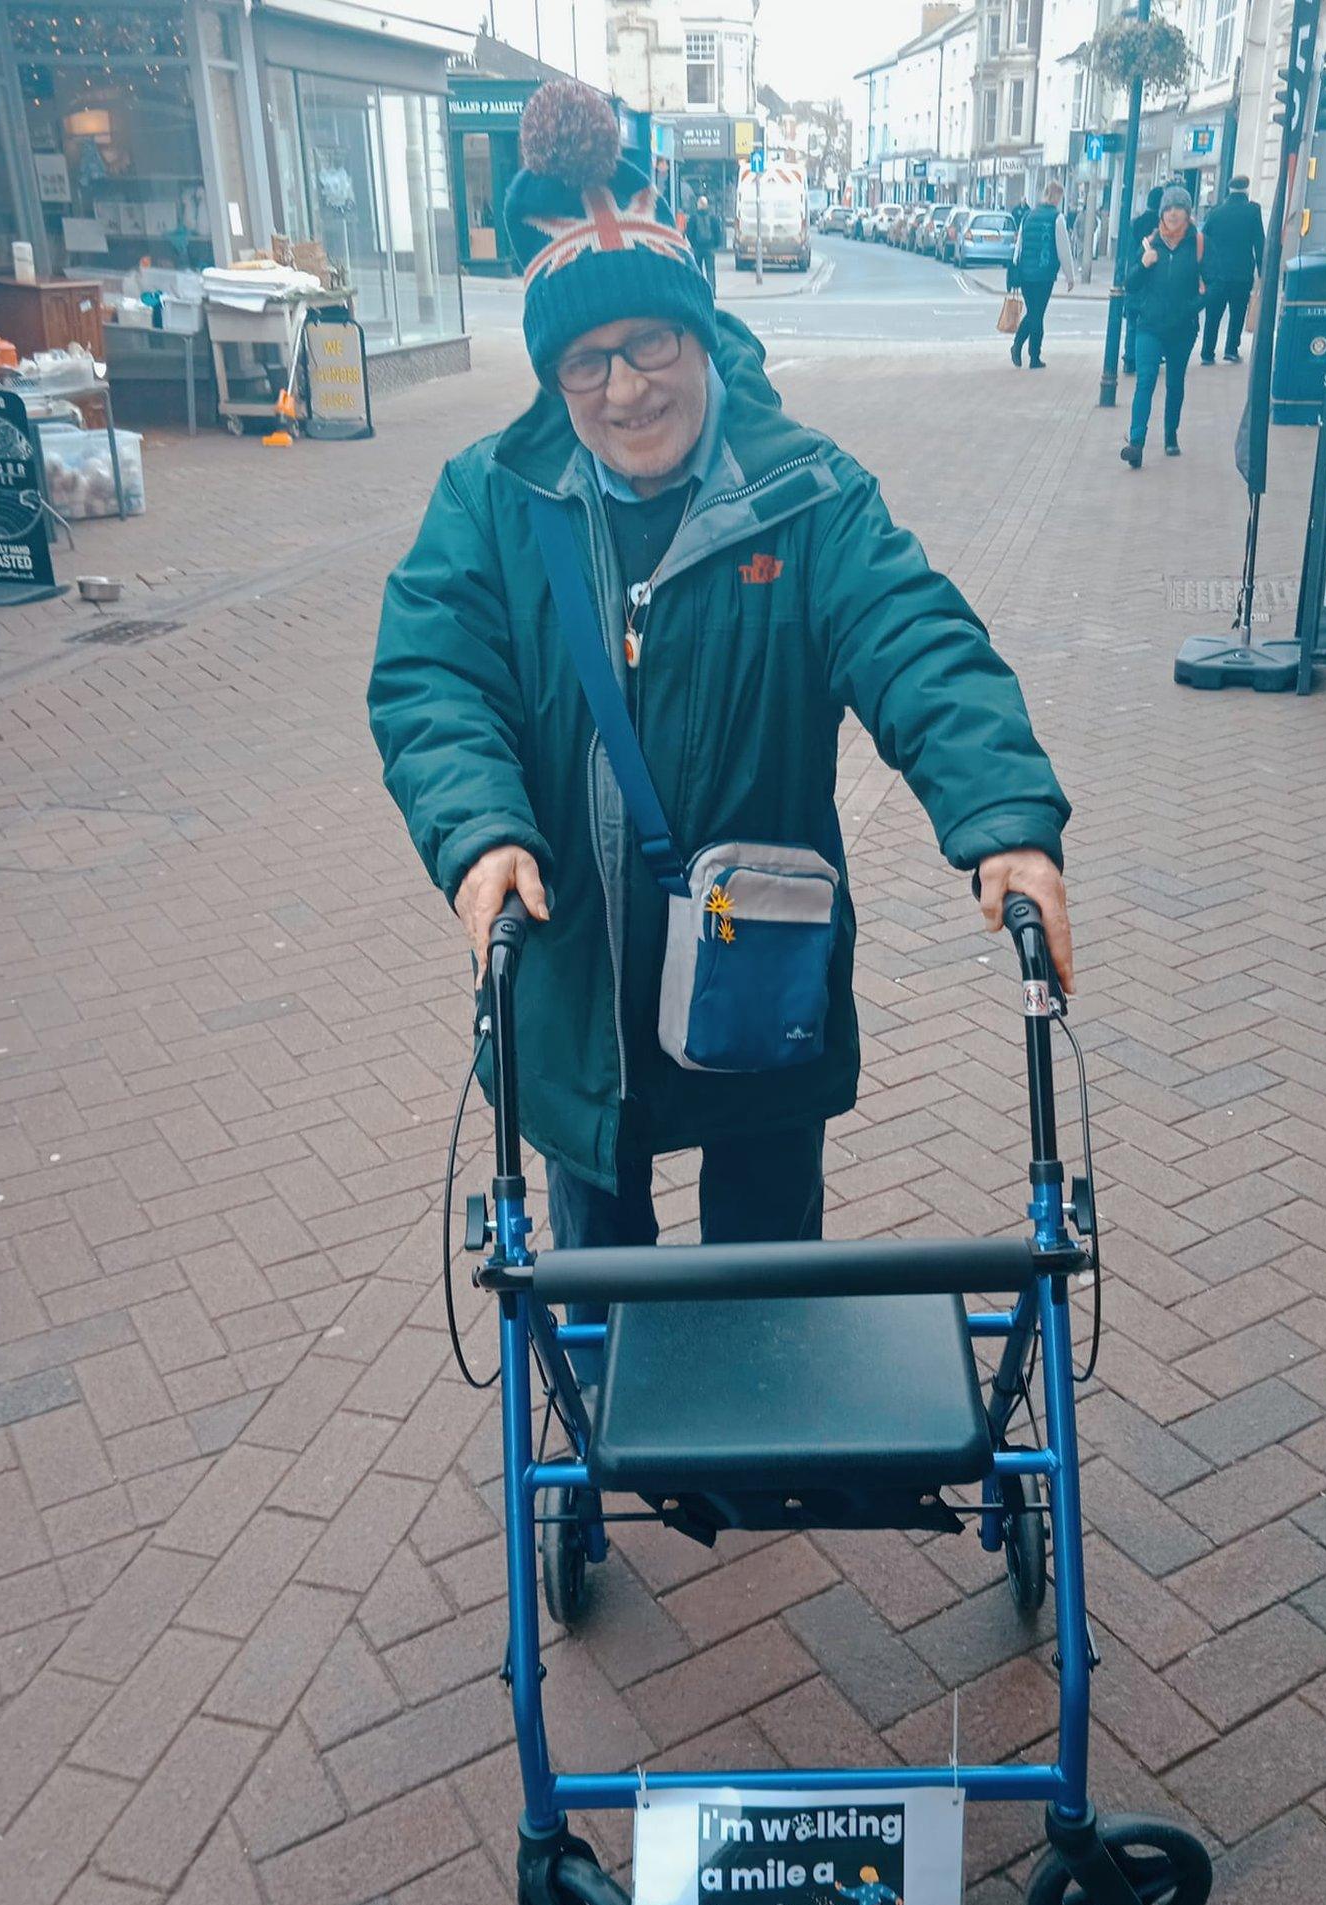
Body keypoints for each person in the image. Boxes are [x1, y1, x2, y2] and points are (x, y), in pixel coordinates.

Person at [369, 81, 1072, 1293]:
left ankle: (759, 1459)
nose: (628, 388)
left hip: (761, 951)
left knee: (764, 1258)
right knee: (597, 1264)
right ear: (553, 375)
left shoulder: (807, 493)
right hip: (578, 954)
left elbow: (914, 636)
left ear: (699, 337)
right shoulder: (491, 498)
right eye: (588, 362)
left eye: (651, 344)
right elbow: (433, 672)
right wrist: (478, 831)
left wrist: (1002, 819)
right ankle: (620, 1445)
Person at [1120, 188, 1203, 469]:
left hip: (1182, 328)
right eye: (1168, 208)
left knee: (1175, 382)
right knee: (1145, 380)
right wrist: (1143, 265)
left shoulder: (1199, 244)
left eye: (1179, 208)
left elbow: (1215, 284)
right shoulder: (1149, 243)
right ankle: (1136, 442)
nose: (1173, 213)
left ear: (1188, 213)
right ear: (1162, 214)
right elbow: (1129, 283)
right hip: (1150, 325)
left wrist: (1193, 307)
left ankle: (1170, 434)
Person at [1199, 173, 1265, 365]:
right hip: (1242, 273)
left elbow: (1204, 239)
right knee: (1237, 314)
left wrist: (1205, 269)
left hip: (1218, 274)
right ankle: (1231, 350)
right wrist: (1262, 272)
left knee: (1213, 315)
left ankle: (1207, 353)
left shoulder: (1216, 212)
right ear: (1246, 189)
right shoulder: (1253, 211)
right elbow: (1259, 242)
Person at [1010, 179, 1076, 370]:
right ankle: (1030, 355)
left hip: (1025, 274)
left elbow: (1019, 245)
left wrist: (1016, 268)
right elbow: (1064, 249)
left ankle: (1022, 349)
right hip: (1044, 274)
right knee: (1037, 315)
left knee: (1034, 313)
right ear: (1056, 196)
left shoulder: (1028, 216)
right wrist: (1070, 276)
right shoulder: (1057, 218)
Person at [1122, 185, 1163, 372]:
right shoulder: (1163, 226)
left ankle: (1130, 357)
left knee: (1132, 322)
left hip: (1134, 274)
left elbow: (1128, 251)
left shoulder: (1135, 223)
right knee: (1147, 324)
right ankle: (1143, 358)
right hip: (1151, 282)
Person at [685, 193, 721, 293]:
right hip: (710, 248)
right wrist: (716, 244)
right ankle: (712, 292)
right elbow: (718, 232)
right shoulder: (713, 218)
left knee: (698, 271)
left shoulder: (693, 218)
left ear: (698, 205)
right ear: (707, 205)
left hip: (698, 248)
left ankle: (700, 292)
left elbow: (689, 232)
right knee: (711, 271)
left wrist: (693, 244)